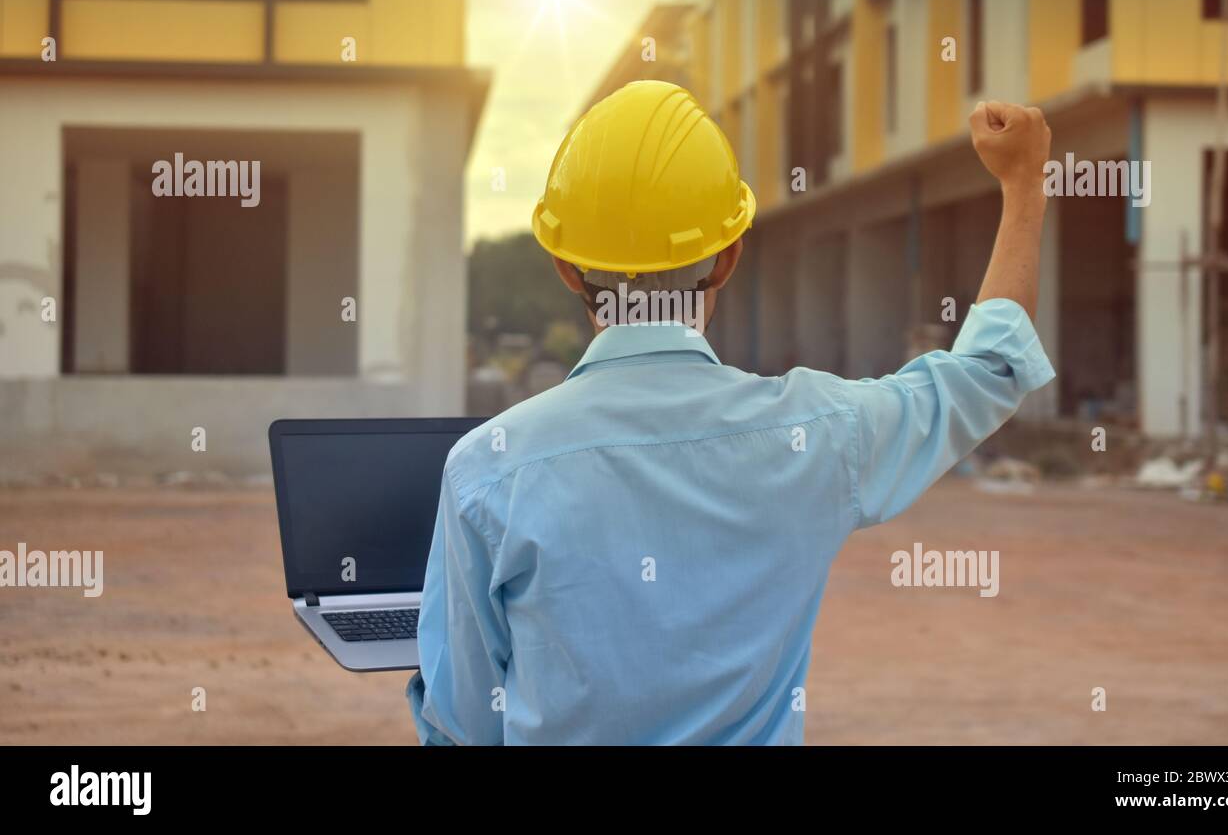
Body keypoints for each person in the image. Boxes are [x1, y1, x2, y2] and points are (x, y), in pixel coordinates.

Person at [407, 80, 1055, 745]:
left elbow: (461, 724)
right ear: (728, 258)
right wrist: (1025, 183)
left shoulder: (488, 468)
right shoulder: (817, 433)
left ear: (566, 268)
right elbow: (990, 372)